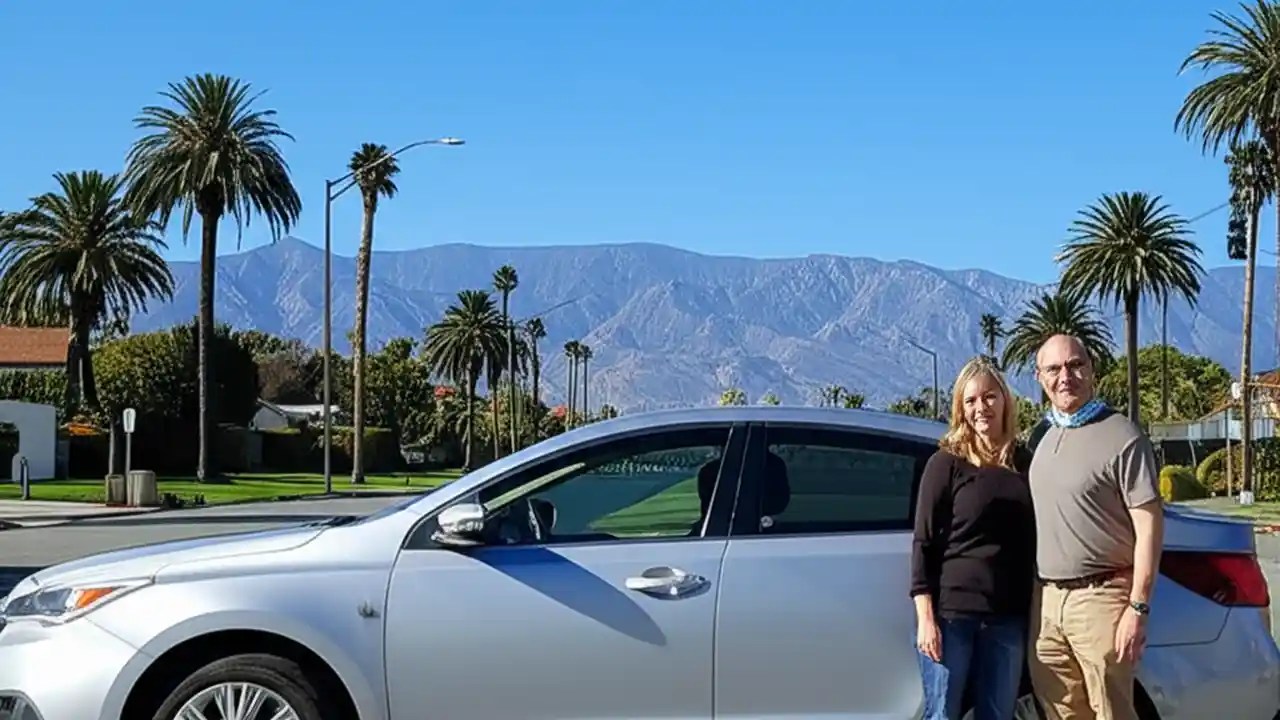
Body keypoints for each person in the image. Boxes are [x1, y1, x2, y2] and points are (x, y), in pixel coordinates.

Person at [1026, 334, 1163, 720]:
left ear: (1091, 370)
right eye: (1053, 369)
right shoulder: (1041, 436)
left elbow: (1149, 524)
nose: (1065, 376)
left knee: (1112, 710)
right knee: (1061, 711)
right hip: (1047, 602)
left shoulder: (1122, 436)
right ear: (1039, 377)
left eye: (1075, 365)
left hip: (1101, 598)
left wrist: (1138, 606)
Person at [910, 356, 1036, 720]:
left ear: (1005, 400)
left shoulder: (1024, 462)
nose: (981, 408)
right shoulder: (946, 463)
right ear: (960, 409)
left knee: (997, 715)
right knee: (944, 714)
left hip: (1008, 618)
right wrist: (926, 619)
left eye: (989, 397)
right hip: (953, 618)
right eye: (970, 401)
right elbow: (923, 542)